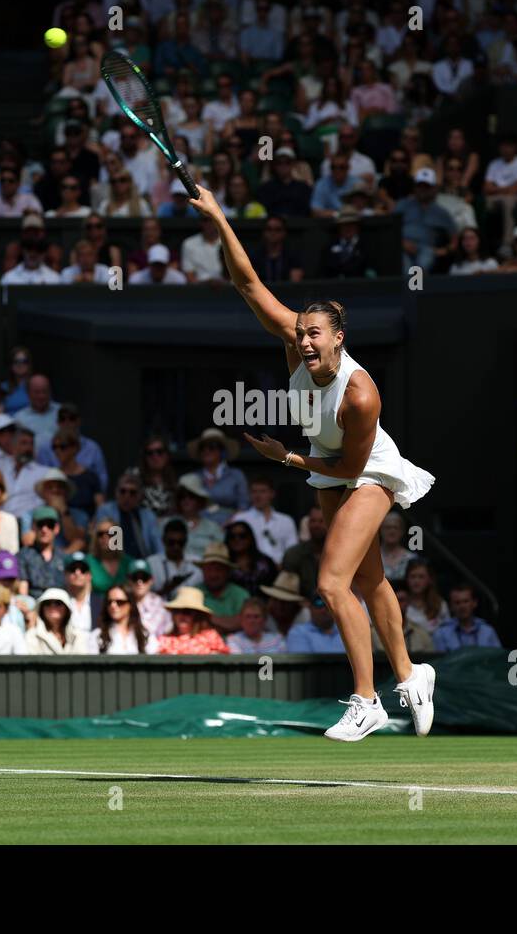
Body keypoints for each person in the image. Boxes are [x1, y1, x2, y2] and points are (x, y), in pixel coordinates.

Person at [189, 182, 436, 740]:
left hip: (365, 468)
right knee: (370, 580)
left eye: (313, 333)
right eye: (299, 332)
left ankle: (367, 700)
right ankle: (412, 672)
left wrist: (289, 459)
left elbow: (351, 470)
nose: (302, 340)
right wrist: (220, 216)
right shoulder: (293, 341)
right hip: (324, 460)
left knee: (330, 583)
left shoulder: (360, 394)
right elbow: (247, 283)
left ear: (338, 338)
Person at [230, 476, 297, 565]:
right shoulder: (240, 518)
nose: (258, 496)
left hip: (281, 570)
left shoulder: (286, 521)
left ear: (272, 494)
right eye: (254, 492)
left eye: (263, 491)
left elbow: (292, 551)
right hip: (250, 571)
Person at [156, 586, 230, 654]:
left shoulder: (211, 637)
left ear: (198, 615)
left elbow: (224, 660)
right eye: (177, 611)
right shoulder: (165, 640)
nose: (181, 616)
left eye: (187, 611)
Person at [432, 584, 502, 651]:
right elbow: (440, 662)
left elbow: (498, 659)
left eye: (466, 601)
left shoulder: (487, 631)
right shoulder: (442, 633)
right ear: (451, 606)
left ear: (474, 603)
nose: (462, 606)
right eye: (457, 602)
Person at [25, 587, 94, 654]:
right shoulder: (32, 636)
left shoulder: (78, 636)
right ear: (41, 609)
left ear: (67, 609)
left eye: (58, 603)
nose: (53, 607)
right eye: (48, 603)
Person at [92, 585, 151, 653]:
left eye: (119, 602)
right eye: (109, 602)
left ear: (130, 604)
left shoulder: (144, 635)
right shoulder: (97, 636)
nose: (113, 606)